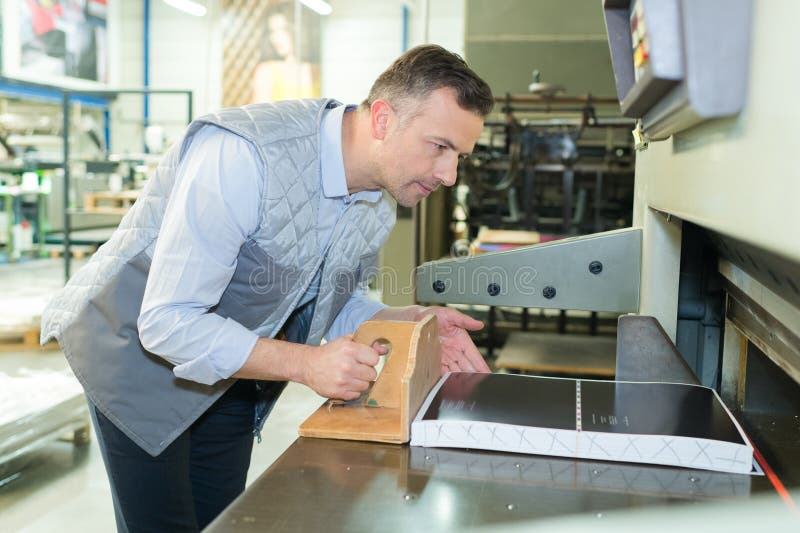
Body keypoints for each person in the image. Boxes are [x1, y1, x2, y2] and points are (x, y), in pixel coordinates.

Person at [41, 44, 495, 532]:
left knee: (222, 521)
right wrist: (305, 364)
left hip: (230, 370)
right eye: (439, 147)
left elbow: (328, 301)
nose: (449, 175)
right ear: (383, 119)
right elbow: (168, 321)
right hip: (135, 357)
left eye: (460, 156)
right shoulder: (245, 155)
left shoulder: (378, 203)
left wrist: (406, 319)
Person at [251, 1, 320, 102]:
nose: (275, 38)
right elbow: (259, 116)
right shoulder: (267, 71)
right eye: (272, 31)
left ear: (298, 29)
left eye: (283, 29)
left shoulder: (317, 69)